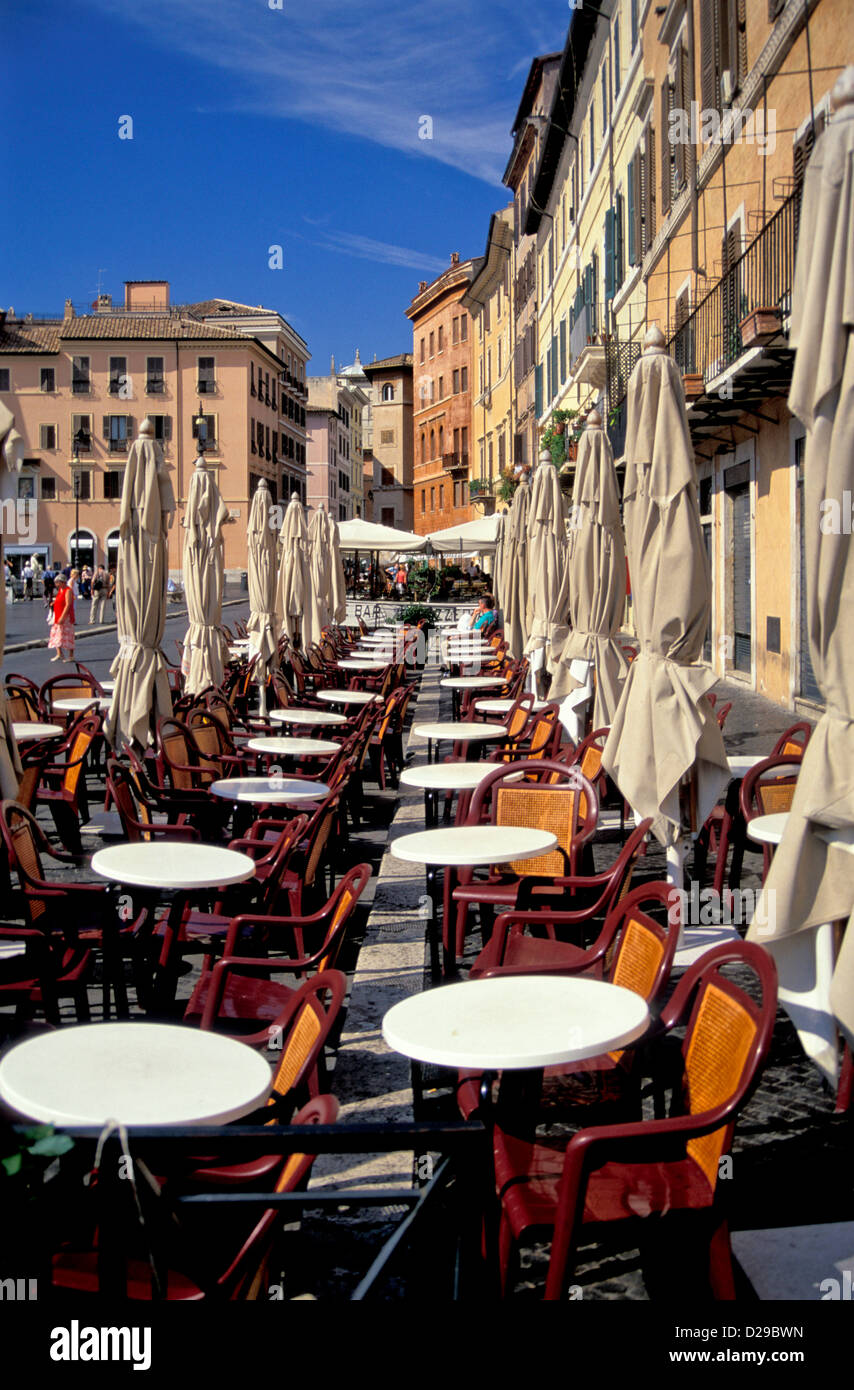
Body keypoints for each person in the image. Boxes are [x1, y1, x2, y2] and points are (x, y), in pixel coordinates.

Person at [47, 574, 75, 662]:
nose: (56, 584)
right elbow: (60, 601)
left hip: (65, 617)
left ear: (62, 582)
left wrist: (63, 616)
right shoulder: (61, 590)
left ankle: (71, 656)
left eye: (57, 583)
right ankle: (59, 653)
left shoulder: (68, 590)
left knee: (67, 634)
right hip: (57, 615)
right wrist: (54, 604)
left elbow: (68, 604)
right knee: (56, 634)